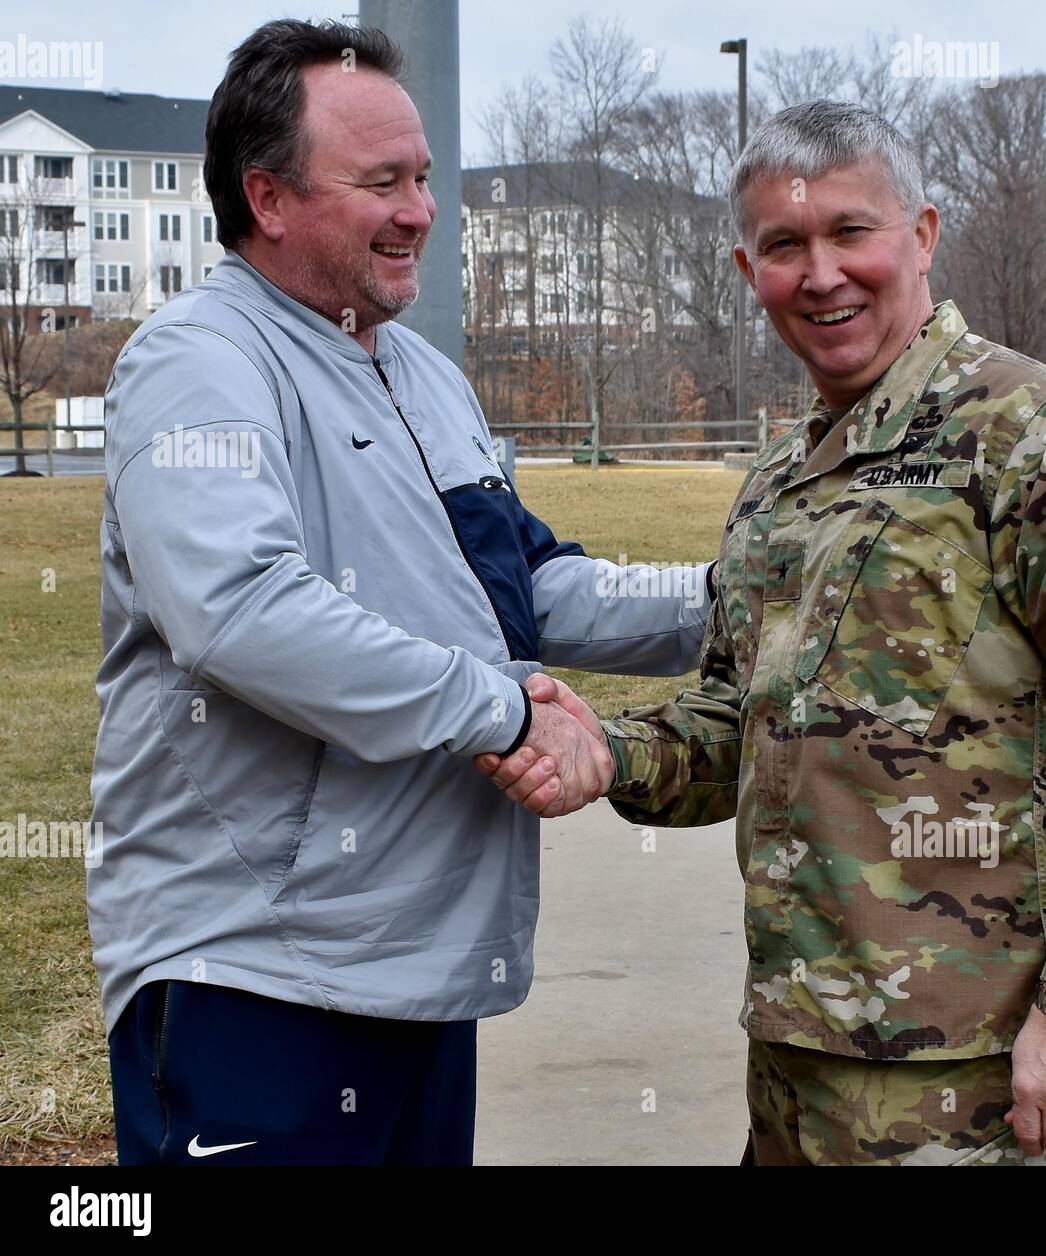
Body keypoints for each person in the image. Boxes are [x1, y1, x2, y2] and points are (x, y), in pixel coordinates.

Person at [478, 100, 1046, 1166]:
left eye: (850, 231)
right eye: (785, 245)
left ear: (921, 235)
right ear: (749, 272)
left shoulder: (1042, 439)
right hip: (792, 1062)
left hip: (964, 1078)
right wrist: (605, 749)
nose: (820, 273)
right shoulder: (782, 480)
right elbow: (738, 719)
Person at [91, 19, 714, 1166]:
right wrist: (510, 710)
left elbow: (524, 589)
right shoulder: (200, 360)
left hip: (418, 969)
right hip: (256, 972)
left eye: (423, 177)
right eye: (382, 181)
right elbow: (239, 612)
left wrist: (739, 599)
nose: (422, 209)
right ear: (267, 196)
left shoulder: (421, 372)